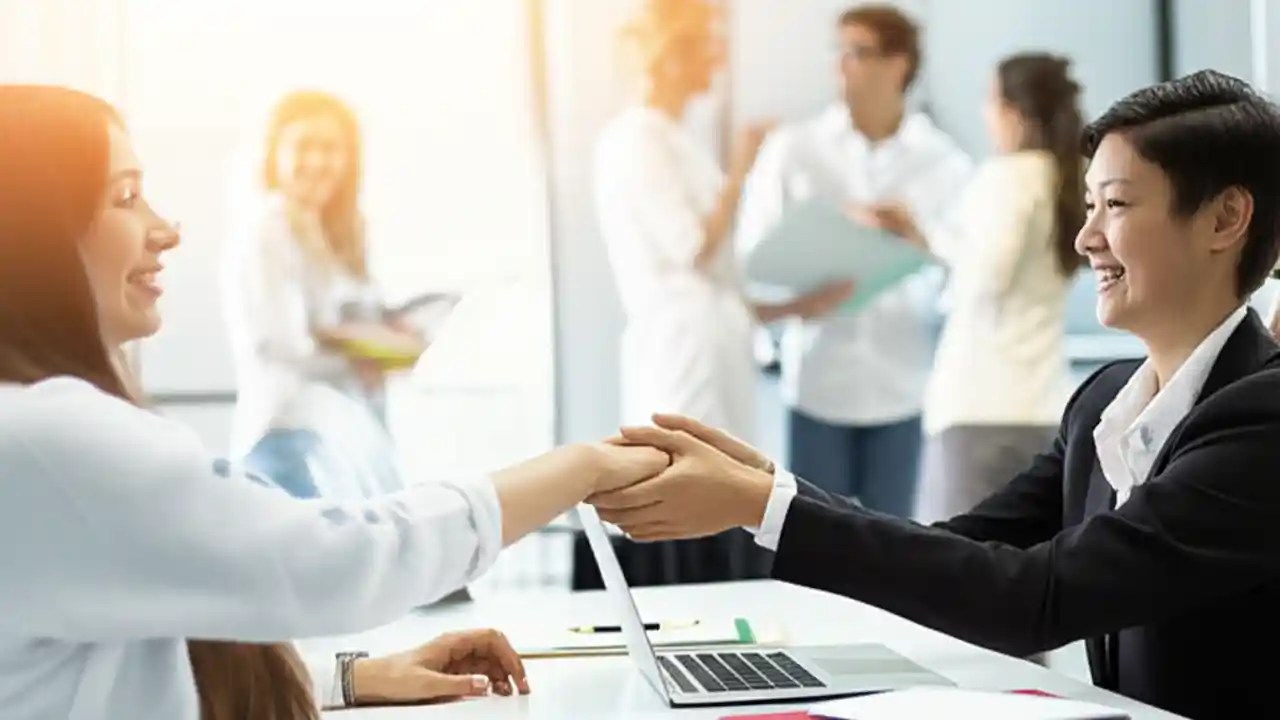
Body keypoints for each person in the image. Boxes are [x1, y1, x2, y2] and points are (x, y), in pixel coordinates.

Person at [592, 70, 1280, 719]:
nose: (1086, 237)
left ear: (1225, 220)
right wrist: (769, 487)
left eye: (1118, 205)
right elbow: (957, 548)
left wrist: (759, 505)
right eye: (1091, 203)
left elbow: (1036, 597)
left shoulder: (1261, 421)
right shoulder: (1103, 404)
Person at [0, 85, 667, 719]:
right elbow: (336, 564)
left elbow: (130, 660)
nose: (166, 230)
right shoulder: (52, 437)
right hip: (296, 430)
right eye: (126, 197)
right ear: (41, 230)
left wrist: (351, 676)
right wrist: (582, 468)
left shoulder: (37, 429)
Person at [589, 0, 850, 586]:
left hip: (715, 339)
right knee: (692, 496)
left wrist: (795, 307)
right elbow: (689, 248)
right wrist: (742, 169)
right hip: (685, 350)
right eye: (706, 41)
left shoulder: (674, 139)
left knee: (726, 498)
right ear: (673, 51)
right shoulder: (637, 137)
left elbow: (716, 279)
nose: (719, 55)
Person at [735, 4, 971, 517]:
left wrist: (918, 235)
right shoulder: (793, 149)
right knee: (813, 548)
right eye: (838, 52)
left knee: (892, 552)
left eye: (858, 52)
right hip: (818, 380)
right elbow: (752, 258)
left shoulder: (944, 161)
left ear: (899, 65)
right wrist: (799, 298)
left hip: (903, 383)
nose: (841, 64)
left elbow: (971, 267)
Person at [901, 53, 1085, 522]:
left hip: (979, 406)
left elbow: (985, 278)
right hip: (1043, 407)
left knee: (946, 570)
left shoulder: (1007, 177)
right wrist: (927, 239)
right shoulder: (1069, 179)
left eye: (989, 101)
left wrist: (935, 256)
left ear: (1013, 111)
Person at [225, 90, 422, 499]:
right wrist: (372, 345)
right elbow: (284, 340)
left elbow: (342, 323)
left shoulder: (342, 235)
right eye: (303, 146)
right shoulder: (270, 224)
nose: (316, 161)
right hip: (290, 437)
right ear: (274, 154)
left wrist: (389, 337)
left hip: (343, 435)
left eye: (330, 148)